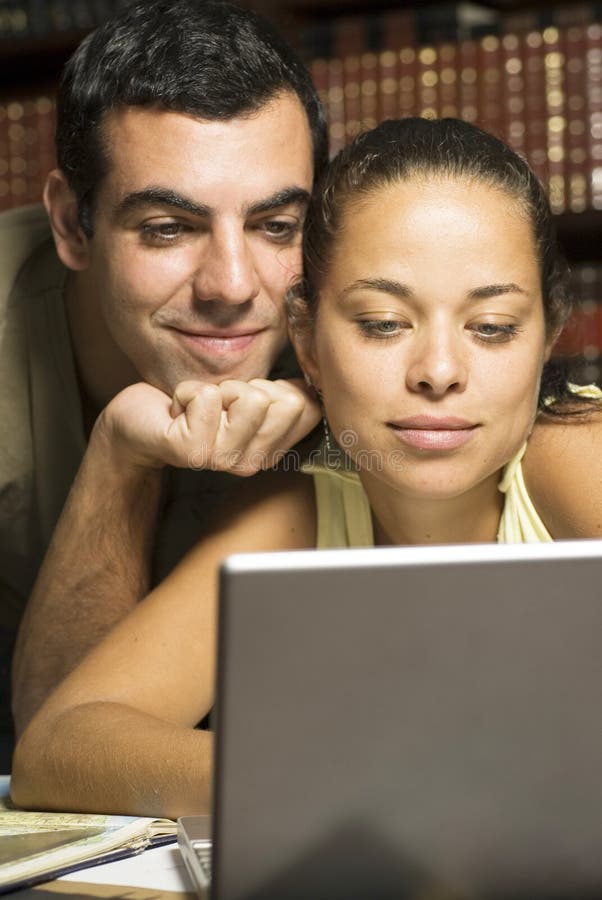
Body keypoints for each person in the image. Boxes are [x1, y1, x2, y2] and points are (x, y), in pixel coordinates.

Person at [11, 117, 602, 817]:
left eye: (493, 327)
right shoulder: (304, 504)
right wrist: (336, 777)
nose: (439, 372)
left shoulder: (573, 451)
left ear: (546, 340)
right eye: (383, 323)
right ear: (309, 342)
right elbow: (57, 749)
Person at [3, 0, 327, 765]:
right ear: (73, 226)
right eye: (168, 229)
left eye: (276, 226)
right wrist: (122, 458)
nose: (233, 285)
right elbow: (54, 759)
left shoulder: (349, 315)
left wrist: (335, 425)